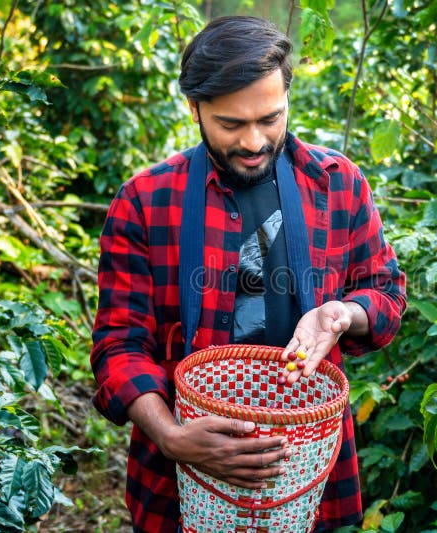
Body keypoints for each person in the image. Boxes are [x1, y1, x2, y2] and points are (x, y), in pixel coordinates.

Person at [90, 15, 406, 533]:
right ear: (194, 108)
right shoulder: (146, 202)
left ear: (287, 96)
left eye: (270, 118)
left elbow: (386, 294)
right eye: (231, 124)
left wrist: (342, 314)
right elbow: (118, 346)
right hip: (180, 480)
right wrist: (170, 436)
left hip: (310, 474)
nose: (255, 141)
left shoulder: (338, 184)